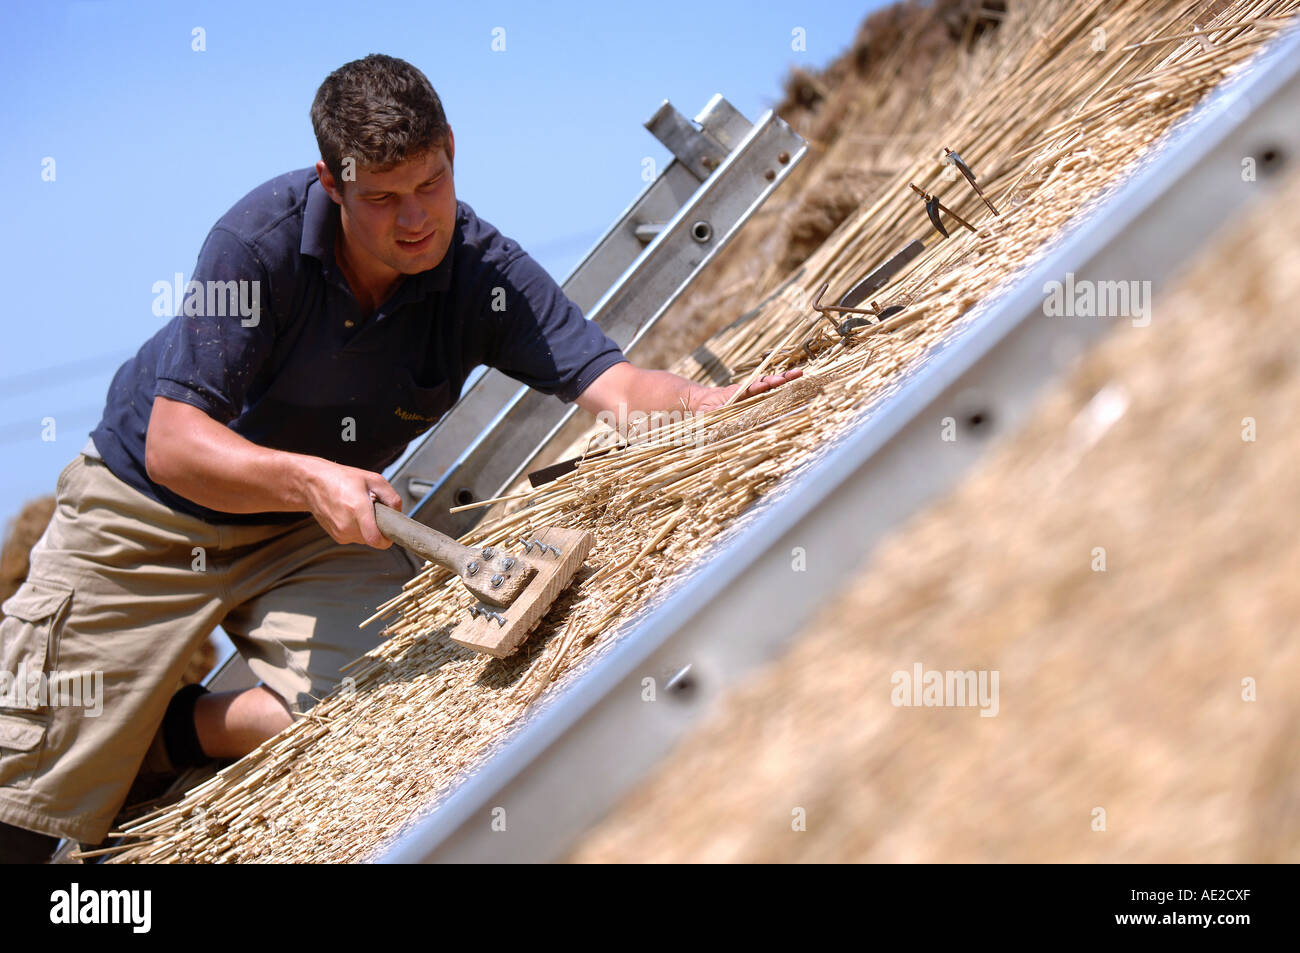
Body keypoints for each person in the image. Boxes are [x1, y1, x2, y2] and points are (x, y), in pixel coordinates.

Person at [0, 54, 800, 862]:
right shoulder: (255, 246)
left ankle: (173, 734)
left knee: (395, 694)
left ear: (451, 149)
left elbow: (615, 385)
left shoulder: (482, 275)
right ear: (332, 182)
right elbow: (172, 443)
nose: (415, 219)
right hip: (150, 512)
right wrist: (310, 475)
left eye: (432, 184)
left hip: (305, 531)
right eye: (382, 198)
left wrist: (703, 407)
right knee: (23, 786)